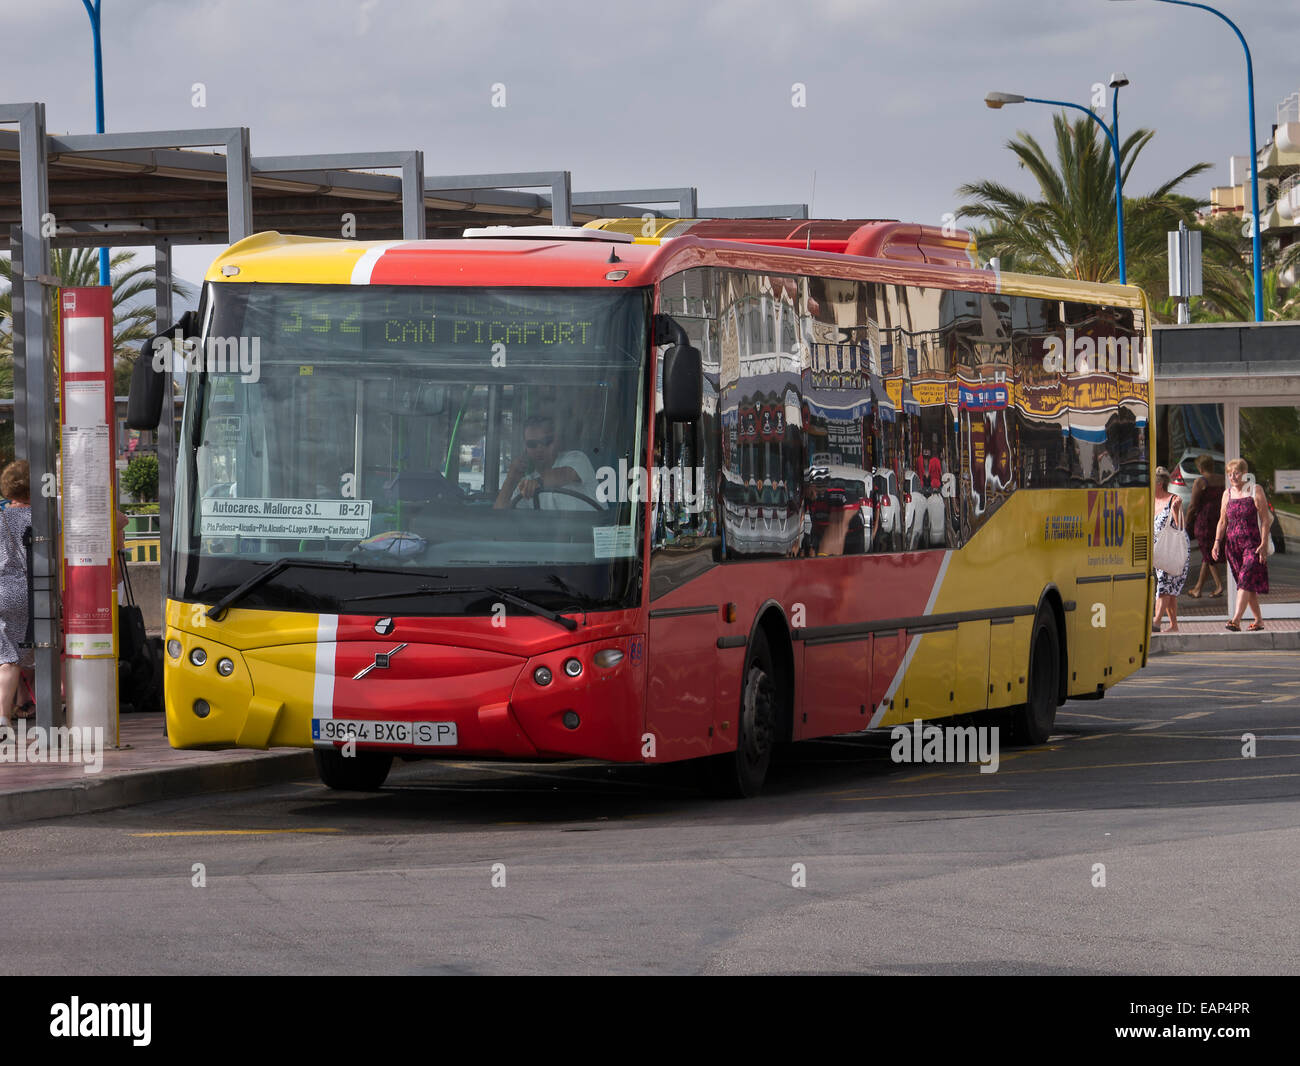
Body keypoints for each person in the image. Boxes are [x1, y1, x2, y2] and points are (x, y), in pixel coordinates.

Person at [494, 414, 599, 511]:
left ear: (556, 441)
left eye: (546, 441)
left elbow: (566, 474)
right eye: (532, 444)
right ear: (525, 447)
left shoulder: (577, 459)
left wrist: (537, 483)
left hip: (593, 529)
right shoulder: (527, 483)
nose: (540, 448)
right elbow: (499, 516)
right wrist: (511, 479)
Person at [1212, 457, 1270, 631]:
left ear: (1245, 473)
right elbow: (1222, 521)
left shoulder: (1255, 490)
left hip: (1252, 544)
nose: (1233, 477)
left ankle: (1235, 620)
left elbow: (1266, 520)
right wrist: (1216, 543)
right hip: (1233, 546)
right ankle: (1259, 620)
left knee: (1245, 580)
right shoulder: (1227, 494)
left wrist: (1264, 543)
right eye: (1229, 474)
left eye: (1236, 473)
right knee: (1246, 584)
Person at [0, 461, 33, 735]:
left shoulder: (0, 517)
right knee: (34, 653)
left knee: (6, 655)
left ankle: (12, 711)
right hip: (26, 588)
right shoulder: (43, 517)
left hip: (1, 588)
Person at [1151, 466, 1188, 633]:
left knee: (1164, 586)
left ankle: (1156, 622)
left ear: (1159, 484)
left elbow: (1181, 526)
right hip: (1159, 550)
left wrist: (1175, 510)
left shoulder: (1174, 499)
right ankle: (1174, 625)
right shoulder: (1151, 501)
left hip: (1173, 549)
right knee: (1170, 591)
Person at [1186, 453, 1224, 598]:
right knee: (1207, 553)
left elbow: (1193, 506)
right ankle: (1198, 589)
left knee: (1208, 553)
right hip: (1219, 519)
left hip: (1205, 521)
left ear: (1200, 467)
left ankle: (1219, 585)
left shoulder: (1200, 482)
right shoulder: (1222, 480)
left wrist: (1187, 521)